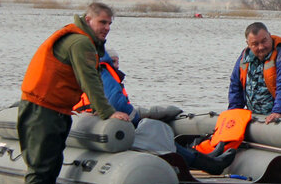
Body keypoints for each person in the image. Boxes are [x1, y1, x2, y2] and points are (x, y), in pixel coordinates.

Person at [18, 1, 131, 184]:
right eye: (102, 22)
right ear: (88, 20)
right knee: (41, 168)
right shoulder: (80, 42)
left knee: (50, 167)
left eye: (109, 24)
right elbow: (89, 80)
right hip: (42, 110)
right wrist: (108, 112)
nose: (107, 27)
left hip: (55, 110)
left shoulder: (82, 40)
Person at [75, 48, 235, 175]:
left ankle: (206, 160)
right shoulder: (105, 73)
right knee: (155, 131)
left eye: (117, 61)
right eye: (113, 61)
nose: (116, 65)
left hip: (97, 131)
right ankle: (209, 164)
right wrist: (137, 118)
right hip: (112, 132)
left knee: (155, 132)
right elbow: (117, 104)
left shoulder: (88, 74)